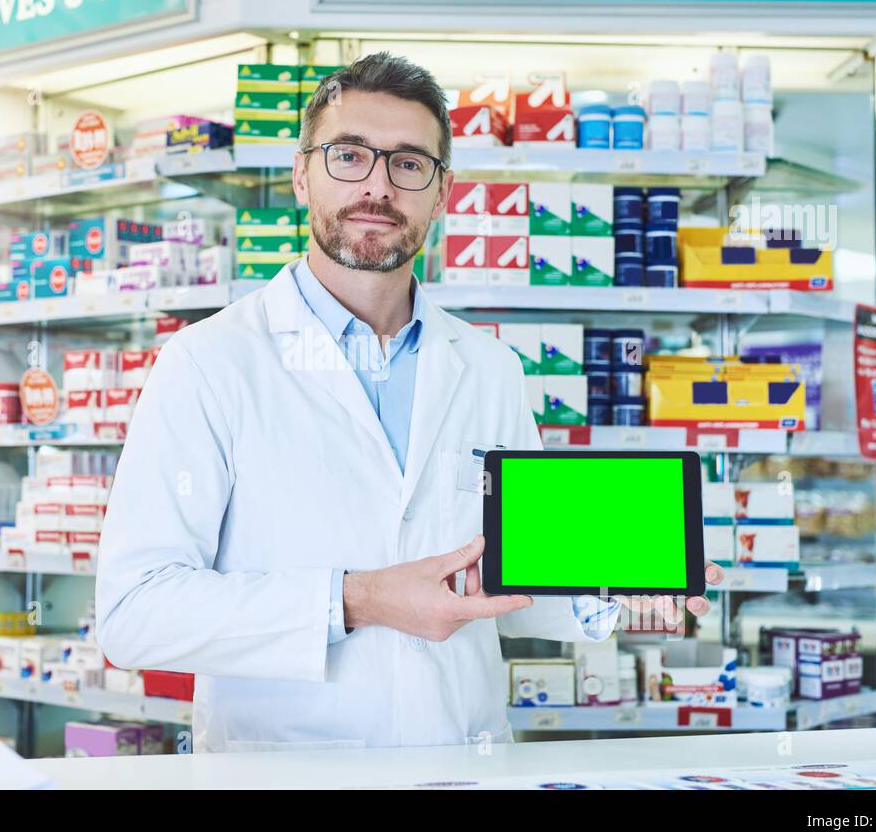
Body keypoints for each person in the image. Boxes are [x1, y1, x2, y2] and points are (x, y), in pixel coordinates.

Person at [96, 52, 722, 752]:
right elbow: (133, 610)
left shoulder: (489, 368)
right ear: (302, 175)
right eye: (348, 156)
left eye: (408, 163)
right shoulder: (208, 363)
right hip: (287, 768)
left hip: (462, 757)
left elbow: (513, 579)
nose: (378, 185)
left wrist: (618, 593)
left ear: (443, 190)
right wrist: (358, 599)